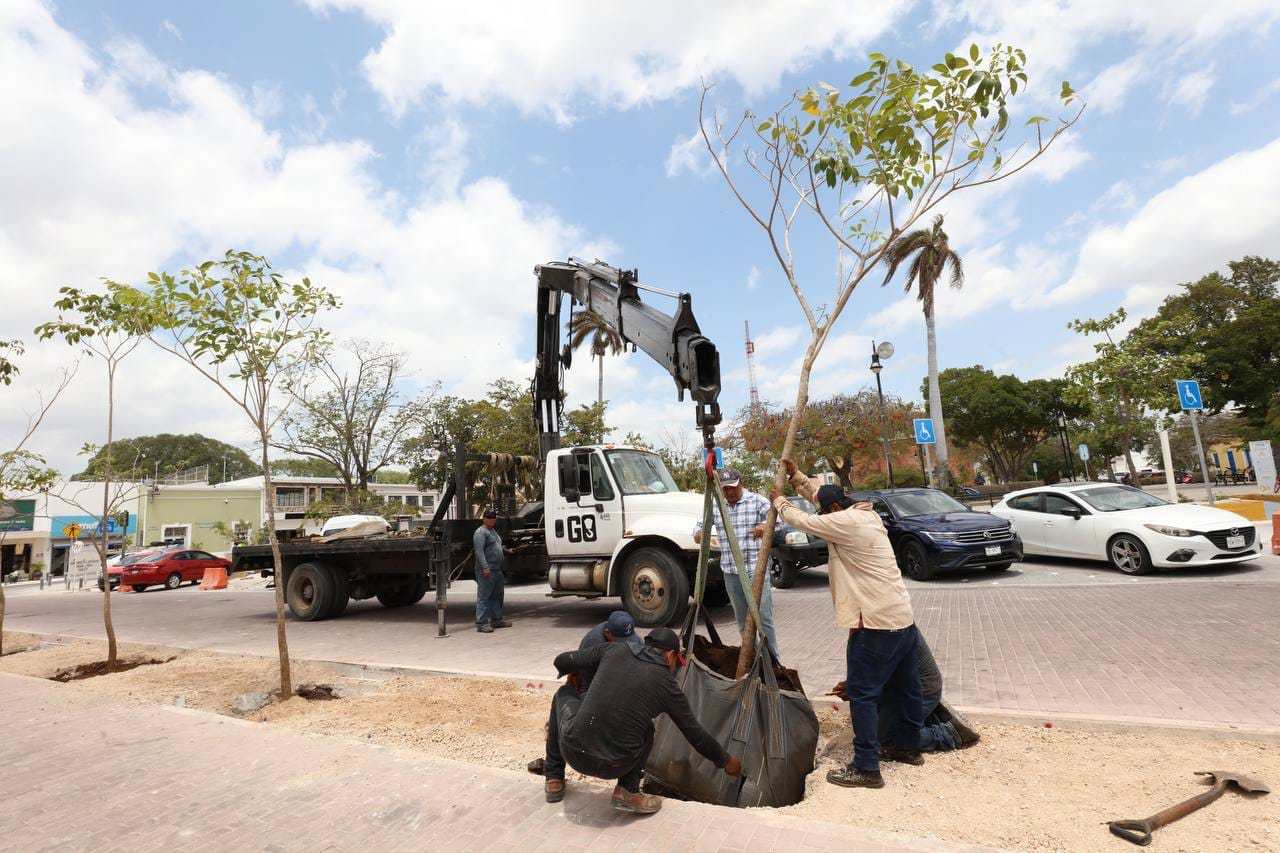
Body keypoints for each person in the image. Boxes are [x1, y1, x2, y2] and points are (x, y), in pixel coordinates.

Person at [770, 458, 923, 789]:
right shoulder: (863, 516)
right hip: (901, 619)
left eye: (828, 512)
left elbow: (805, 519)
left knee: (863, 693)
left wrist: (779, 500)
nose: (825, 517)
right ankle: (909, 746)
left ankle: (866, 766)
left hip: (874, 623)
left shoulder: (843, 522)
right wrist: (797, 477)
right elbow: (818, 498)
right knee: (907, 687)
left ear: (836, 508)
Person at [542, 627, 743, 813]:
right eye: (676, 663)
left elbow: (562, 661)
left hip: (575, 753)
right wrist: (726, 761)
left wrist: (577, 680)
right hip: (617, 765)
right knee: (647, 730)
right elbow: (696, 736)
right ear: (671, 655)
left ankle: (553, 777)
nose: (674, 668)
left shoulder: (614, 650)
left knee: (563, 693)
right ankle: (627, 790)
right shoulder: (668, 687)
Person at [831, 632, 980, 753]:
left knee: (884, 739)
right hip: (901, 690)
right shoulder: (868, 626)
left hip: (922, 690)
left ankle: (950, 733)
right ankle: (926, 718)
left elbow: (884, 675)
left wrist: (859, 688)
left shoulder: (884, 627)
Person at [692, 468, 780, 659]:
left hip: (755, 568)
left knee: (763, 618)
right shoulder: (716, 506)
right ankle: (753, 659)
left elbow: (777, 522)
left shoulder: (757, 501)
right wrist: (699, 534)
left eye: (733, 487)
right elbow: (699, 527)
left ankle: (774, 662)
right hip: (731, 571)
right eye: (725, 489)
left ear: (740, 483)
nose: (730, 492)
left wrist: (764, 527)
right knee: (742, 620)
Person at [472, 508, 511, 633]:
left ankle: (497, 620)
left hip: (497, 569)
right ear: (484, 519)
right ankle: (482, 623)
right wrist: (485, 567)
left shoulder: (493, 531)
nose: (492, 520)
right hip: (487, 570)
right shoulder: (480, 533)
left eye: (494, 518)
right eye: (489, 517)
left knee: (497, 596)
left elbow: (497, 546)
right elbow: (479, 552)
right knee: (484, 597)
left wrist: (506, 551)